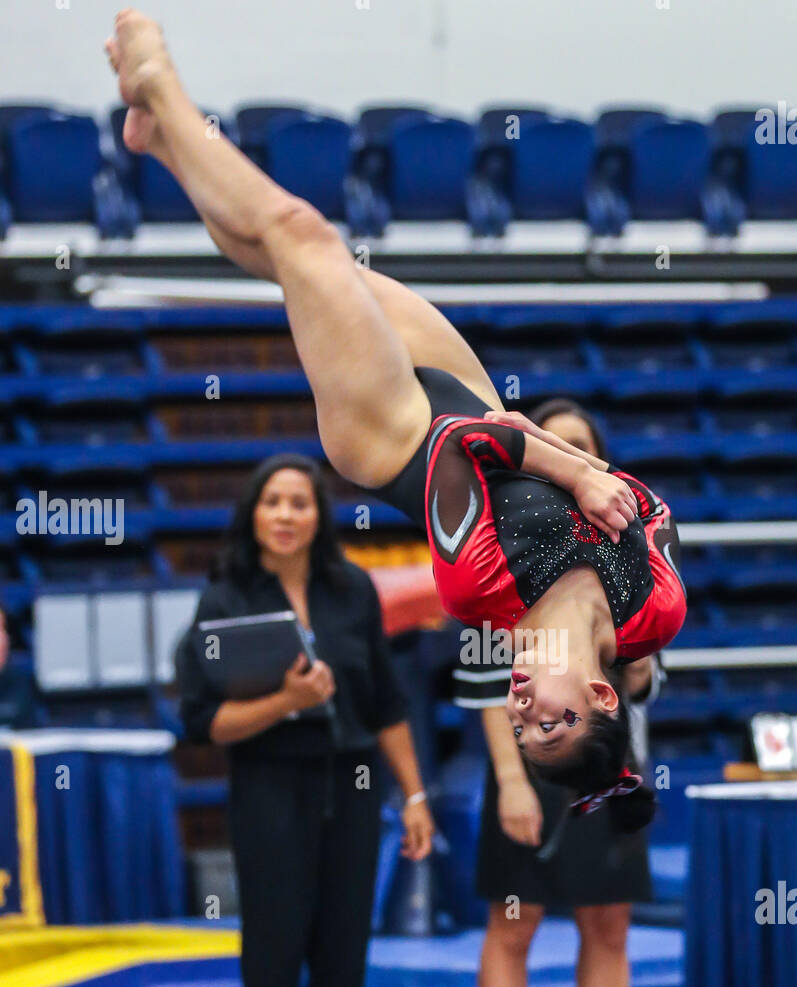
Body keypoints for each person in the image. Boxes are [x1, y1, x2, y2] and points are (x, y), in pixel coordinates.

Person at [103, 12, 686, 810]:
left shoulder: (483, 591)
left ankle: (160, 90)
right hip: (469, 391)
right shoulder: (654, 611)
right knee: (298, 258)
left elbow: (466, 443)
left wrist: (579, 476)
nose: (521, 715)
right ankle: (162, 142)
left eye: (523, 735)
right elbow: (655, 511)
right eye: (549, 725)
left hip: (393, 438)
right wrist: (578, 473)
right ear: (601, 696)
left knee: (303, 238)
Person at [176, 454, 434, 987]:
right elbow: (205, 725)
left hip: (350, 786)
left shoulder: (352, 589)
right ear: (253, 516)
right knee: (272, 955)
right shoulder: (223, 598)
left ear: (319, 516)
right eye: (273, 503)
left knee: (343, 953)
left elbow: (386, 704)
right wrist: (285, 701)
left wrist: (413, 795)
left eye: (300, 502)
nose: (287, 515)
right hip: (268, 787)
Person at [454, 399, 662, 987]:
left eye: (582, 447)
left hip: (601, 758)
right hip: (525, 763)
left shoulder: (624, 542)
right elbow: (488, 681)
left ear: (599, 462)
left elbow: (641, 676)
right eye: (556, 446)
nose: (570, 455)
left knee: (609, 926)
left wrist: (627, 661)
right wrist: (513, 778)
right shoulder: (514, 535)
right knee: (514, 924)